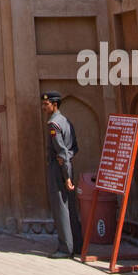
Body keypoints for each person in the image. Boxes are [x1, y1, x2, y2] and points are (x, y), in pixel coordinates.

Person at [41, 90, 83, 258]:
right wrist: (68, 166)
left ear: (55, 104)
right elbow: (73, 149)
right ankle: (77, 244)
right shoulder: (66, 122)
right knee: (70, 207)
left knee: (61, 208)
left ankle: (65, 248)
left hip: (58, 169)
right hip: (67, 166)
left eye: (46, 104)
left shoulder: (54, 124)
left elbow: (61, 151)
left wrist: (65, 176)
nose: (44, 107)